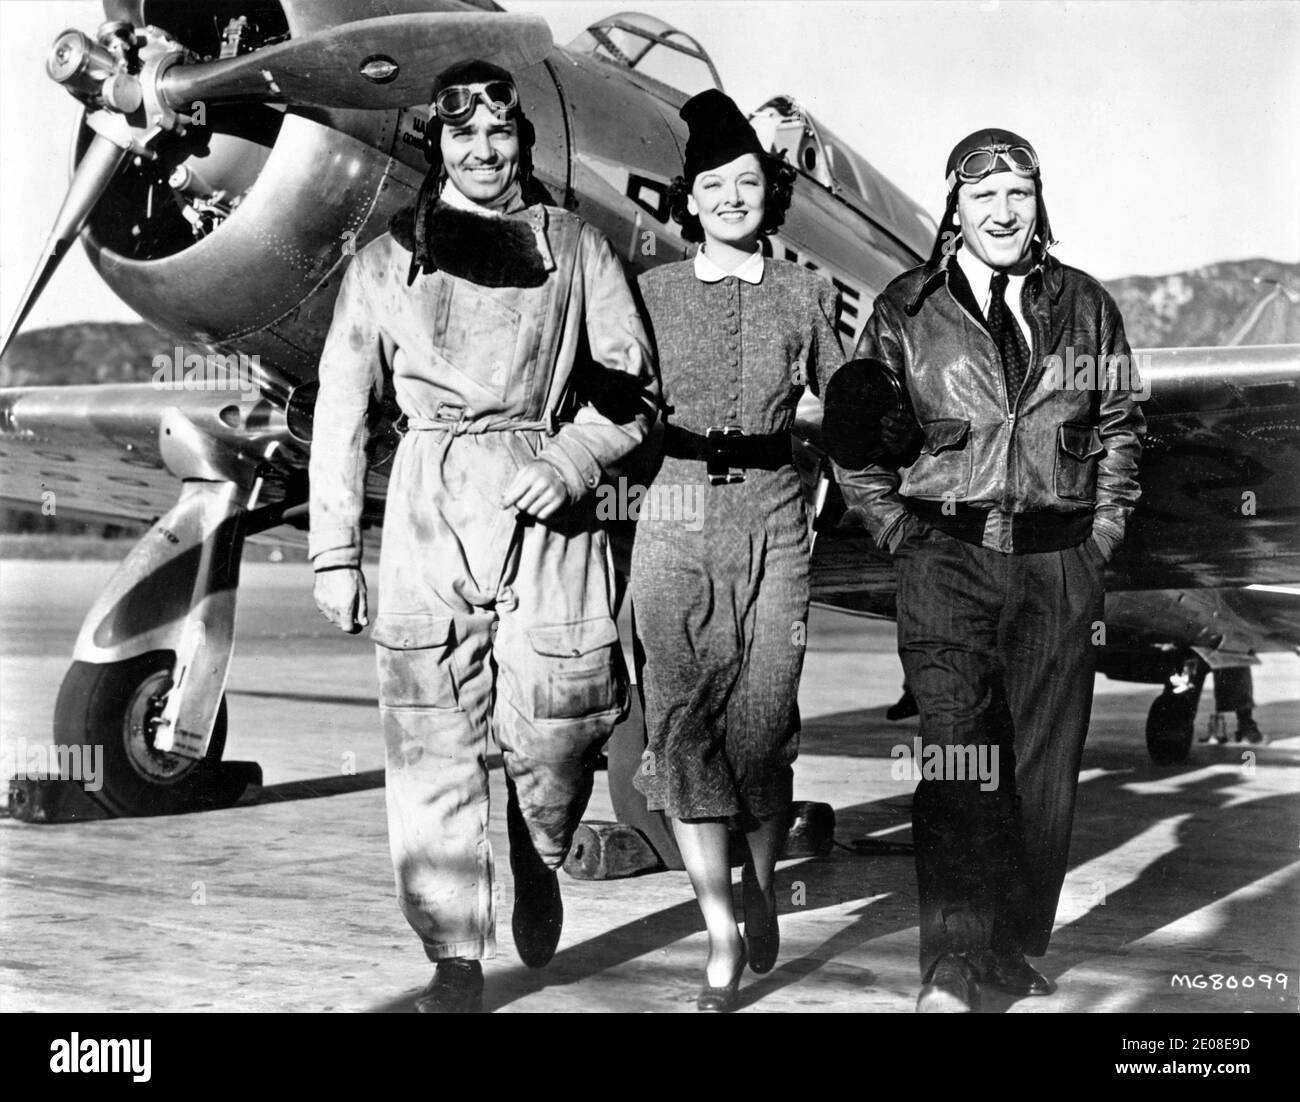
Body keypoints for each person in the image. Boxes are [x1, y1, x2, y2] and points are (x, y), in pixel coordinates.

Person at [309, 59, 658, 1013]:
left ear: (522, 142)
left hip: (548, 501)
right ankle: (455, 958)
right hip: (428, 502)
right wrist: (335, 552)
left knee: (565, 714)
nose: (485, 149)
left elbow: (633, 388)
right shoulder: (384, 261)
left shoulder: (577, 249)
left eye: (501, 133)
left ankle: (541, 848)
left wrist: (572, 460)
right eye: (464, 135)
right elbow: (342, 406)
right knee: (429, 735)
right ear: (441, 146)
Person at [829, 129, 1145, 1011]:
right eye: (985, 198)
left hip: (1056, 562)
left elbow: (1121, 428)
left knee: (1044, 772)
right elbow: (854, 447)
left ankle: (1010, 947)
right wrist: (906, 538)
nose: (1004, 212)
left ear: (1038, 204)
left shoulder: (1086, 307)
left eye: (1020, 194)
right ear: (954, 210)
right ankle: (954, 963)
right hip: (948, 557)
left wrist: (1101, 539)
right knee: (960, 757)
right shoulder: (904, 309)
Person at [631, 89, 843, 1012]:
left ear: (769, 194)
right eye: (713, 184)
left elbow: (850, 401)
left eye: (747, 182)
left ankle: (758, 886)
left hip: (777, 513)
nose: (730, 197)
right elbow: (610, 402)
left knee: (763, 721)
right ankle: (719, 927)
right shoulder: (650, 295)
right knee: (681, 717)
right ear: (690, 197)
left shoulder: (805, 292)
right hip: (673, 512)